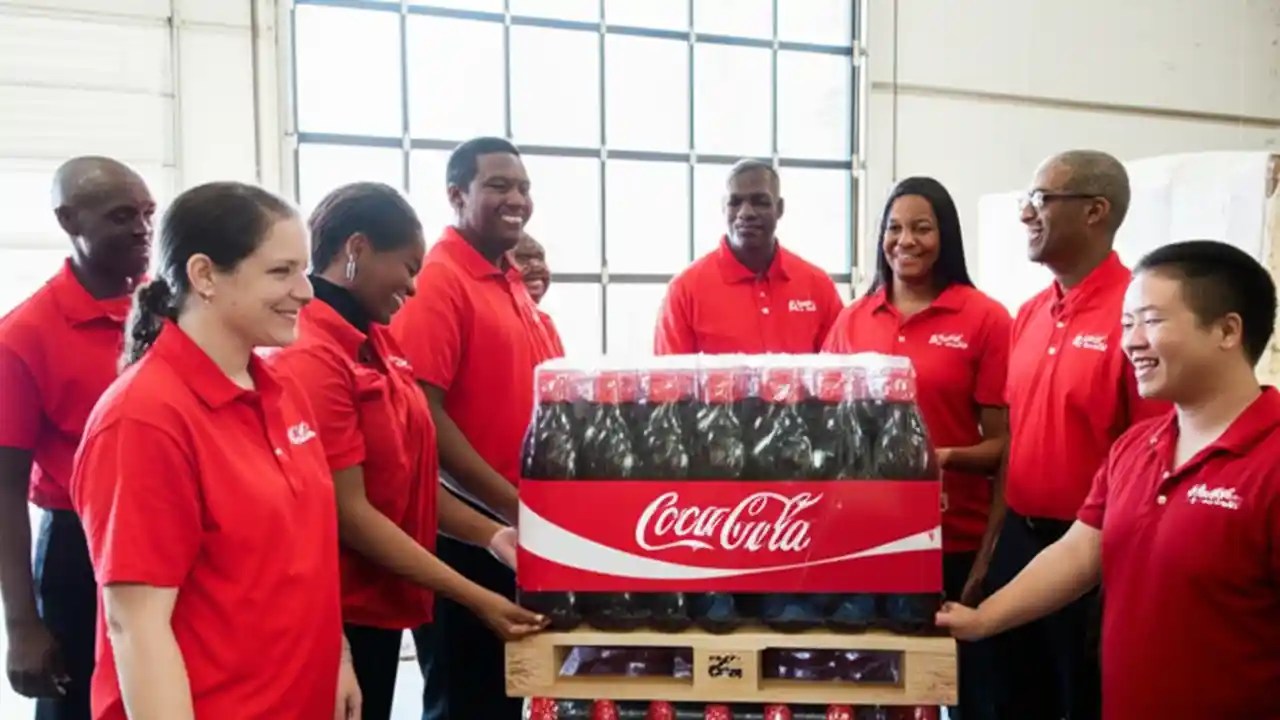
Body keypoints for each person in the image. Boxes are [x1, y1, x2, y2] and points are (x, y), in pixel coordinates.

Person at [939, 239, 1280, 719]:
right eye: (1127, 323)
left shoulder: (1270, 458)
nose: (1131, 342)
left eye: (1152, 321)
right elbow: (1080, 552)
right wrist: (982, 619)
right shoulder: (1135, 448)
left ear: (1227, 330)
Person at [68, 182, 359, 719]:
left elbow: (303, 556)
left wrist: (337, 655)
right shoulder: (144, 421)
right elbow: (136, 627)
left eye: (303, 269)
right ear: (204, 275)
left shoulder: (279, 389)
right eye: (281, 272)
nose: (307, 292)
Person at [263, 182, 547, 720]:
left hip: (382, 600)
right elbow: (352, 513)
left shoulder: (376, 339)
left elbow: (406, 482)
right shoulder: (313, 355)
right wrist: (475, 596)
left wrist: (492, 535)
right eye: (408, 268)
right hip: (333, 612)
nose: (414, 289)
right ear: (357, 250)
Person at [981, 150, 1169, 720]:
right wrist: (992, 549)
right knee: (1006, 699)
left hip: (1091, 556)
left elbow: (1155, 455)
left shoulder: (1137, 316)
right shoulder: (1030, 313)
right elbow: (1015, 439)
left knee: (1079, 702)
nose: (1026, 214)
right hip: (1019, 541)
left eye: (1040, 199)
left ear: (1095, 211)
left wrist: (1124, 577)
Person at [822, 176, 1009, 720]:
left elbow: (1005, 446)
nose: (906, 241)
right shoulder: (853, 319)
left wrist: (938, 459)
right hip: (870, 542)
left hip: (956, 540)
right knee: (886, 693)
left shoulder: (986, 318)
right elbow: (829, 428)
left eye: (922, 228)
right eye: (894, 228)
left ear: (945, 235)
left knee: (971, 691)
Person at [390, 137, 561, 720]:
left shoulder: (507, 280)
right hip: (466, 533)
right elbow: (421, 417)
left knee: (503, 689)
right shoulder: (440, 281)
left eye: (523, 188)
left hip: (513, 528)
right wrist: (510, 505)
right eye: (498, 186)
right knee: (466, 698)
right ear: (456, 194)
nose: (516, 199)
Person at [0, 156, 154, 720]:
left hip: (167, 537)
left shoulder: (170, 311)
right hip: (79, 552)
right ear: (69, 220)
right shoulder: (24, 335)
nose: (141, 228)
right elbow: (5, 489)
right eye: (121, 216)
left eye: (147, 213)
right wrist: (22, 623)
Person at [654, 159, 843, 354]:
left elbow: (842, 376)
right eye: (734, 203)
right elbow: (667, 380)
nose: (746, 213)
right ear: (723, 208)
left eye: (760, 202)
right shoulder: (685, 291)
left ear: (779, 209)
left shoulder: (818, 287)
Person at [512, 231, 564, 355]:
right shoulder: (499, 324)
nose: (536, 266)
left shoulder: (545, 323)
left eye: (540, 259)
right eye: (523, 259)